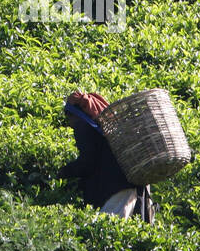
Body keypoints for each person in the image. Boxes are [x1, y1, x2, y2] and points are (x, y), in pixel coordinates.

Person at [60, 91, 154, 222]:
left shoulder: (83, 126)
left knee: (107, 231)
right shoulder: (105, 128)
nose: (70, 124)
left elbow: (87, 162)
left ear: (75, 114)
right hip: (132, 187)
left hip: (114, 190)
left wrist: (63, 172)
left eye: (69, 117)